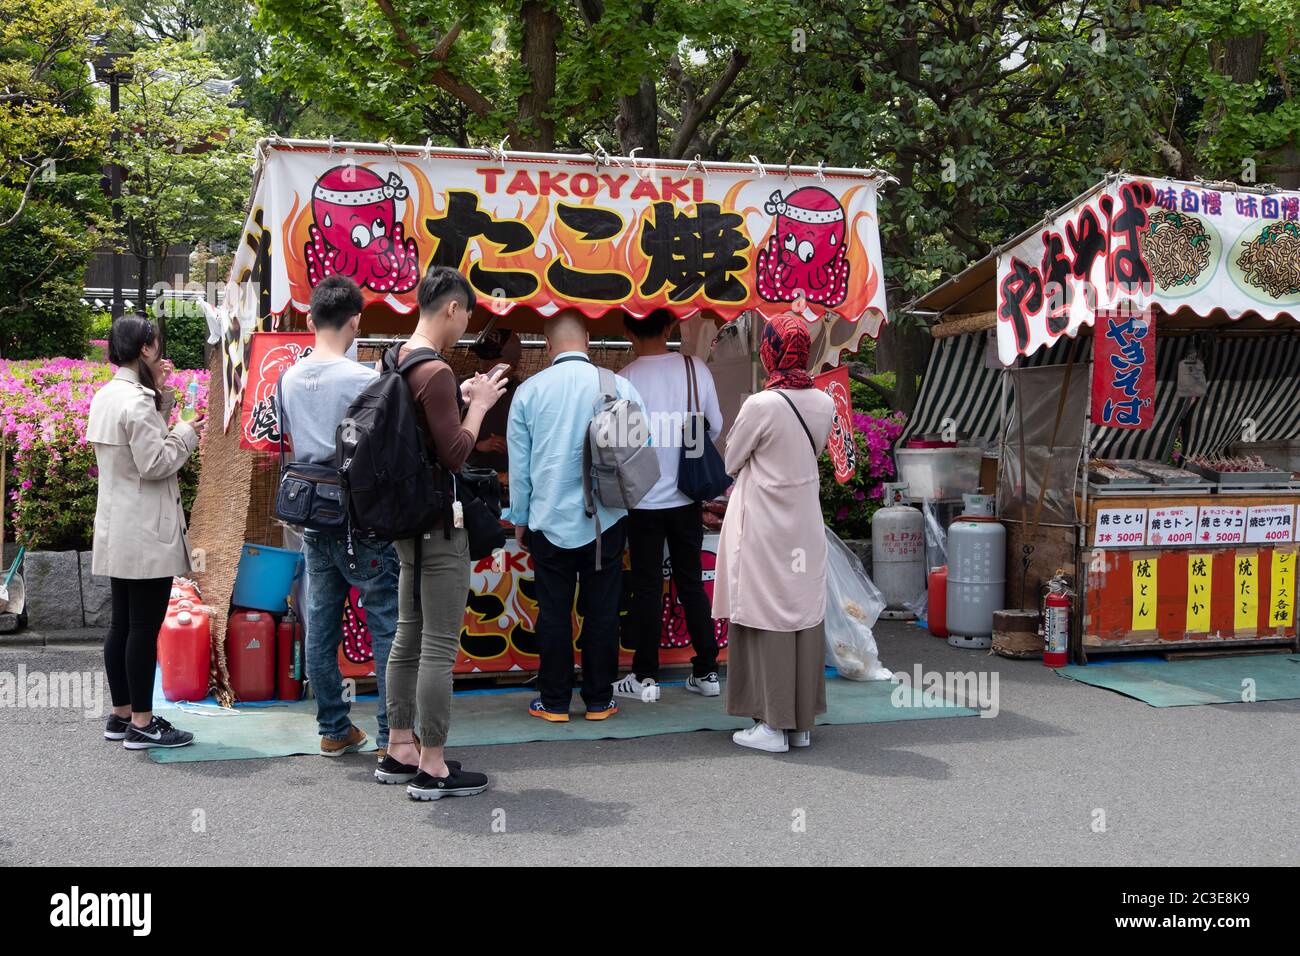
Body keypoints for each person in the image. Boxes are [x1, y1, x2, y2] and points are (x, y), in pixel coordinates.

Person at [381, 266, 507, 800]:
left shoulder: (396, 359)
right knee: (437, 644)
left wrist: (460, 401)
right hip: (438, 527)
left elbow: (427, 441)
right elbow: (455, 453)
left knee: (408, 635)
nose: (465, 329)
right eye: (467, 316)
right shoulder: (434, 372)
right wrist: (478, 406)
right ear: (452, 307)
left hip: (407, 525)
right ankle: (433, 763)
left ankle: (399, 747)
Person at [278, 275, 400, 759]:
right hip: (360, 516)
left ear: (309, 319)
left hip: (312, 514)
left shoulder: (288, 377)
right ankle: (392, 735)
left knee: (321, 622)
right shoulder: (365, 380)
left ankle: (333, 727)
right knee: (386, 623)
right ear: (356, 321)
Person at [506, 311, 645, 722]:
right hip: (607, 521)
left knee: (553, 612)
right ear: (587, 338)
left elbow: (521, 465)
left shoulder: (529, 391)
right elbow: (640, 448)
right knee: (602, 610)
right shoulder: (619, 385)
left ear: (547, 346)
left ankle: (553, 702)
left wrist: (520, 518)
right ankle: (600, 700)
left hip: (549, 522)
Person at [713, 313, 835, 754]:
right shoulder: (823, 402)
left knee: (766, 613)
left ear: (769, 351)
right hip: (803, 520)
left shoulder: (761, 405)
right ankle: (800, 723)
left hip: (764, 522)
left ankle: (772, 723)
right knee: (802, 610)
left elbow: (731, 460)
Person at [87, 314, 203, 750]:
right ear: (146, 348)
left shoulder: (109, 395)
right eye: (156, 343)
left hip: (119, 524)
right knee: (143, 626)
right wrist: (186, 433)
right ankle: (143, 721)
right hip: (147, 530)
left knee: (122, 623)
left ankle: (120, 715)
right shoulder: (136, 402)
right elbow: (156, 462)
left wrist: (163, 396)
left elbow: (140, 439)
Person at [614, 308, 723, 702]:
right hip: (686, 495)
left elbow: (621, 445)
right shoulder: (695, 369)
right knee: (691, 583)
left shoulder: (623, 379)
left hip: (641, 501)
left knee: (645, 587)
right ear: (671, 326)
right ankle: (708, 671)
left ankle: (644, 677)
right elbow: (716, 425)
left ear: (627, 329)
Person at [466, 327, 521, 476]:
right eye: (482, 357)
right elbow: (447, 440)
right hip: (469, 477)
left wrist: (515, 445)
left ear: (512, 365)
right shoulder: (466, 387)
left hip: (513, 478)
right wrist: (478, 446)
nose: (484, 365)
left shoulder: (524, 394)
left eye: (493, 361)